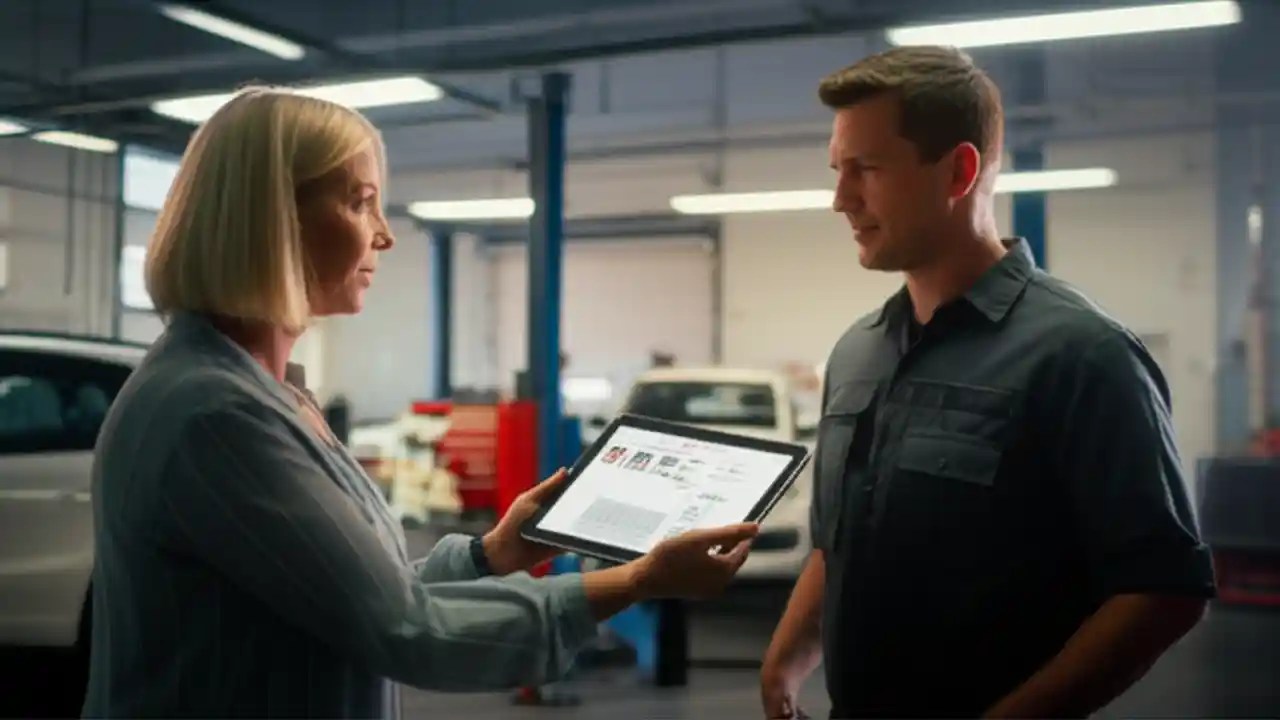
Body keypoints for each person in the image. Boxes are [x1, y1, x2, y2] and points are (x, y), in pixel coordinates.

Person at [82, 87, 759, 719]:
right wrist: (636, 582)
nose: (384, 234)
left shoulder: (257, 393)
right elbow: (406, 632)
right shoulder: (215, 415)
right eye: (359, 202)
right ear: (273, 221)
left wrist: (492, 554)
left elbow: (356, 596)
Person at [759, 46, 1216, 719]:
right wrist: (784, 663)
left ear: (959, 171)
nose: (840, 199)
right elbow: (840, 539)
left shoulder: (1081, 354)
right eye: (838, 170)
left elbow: (1164, 590)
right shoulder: (857, 353)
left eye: (868, 169)